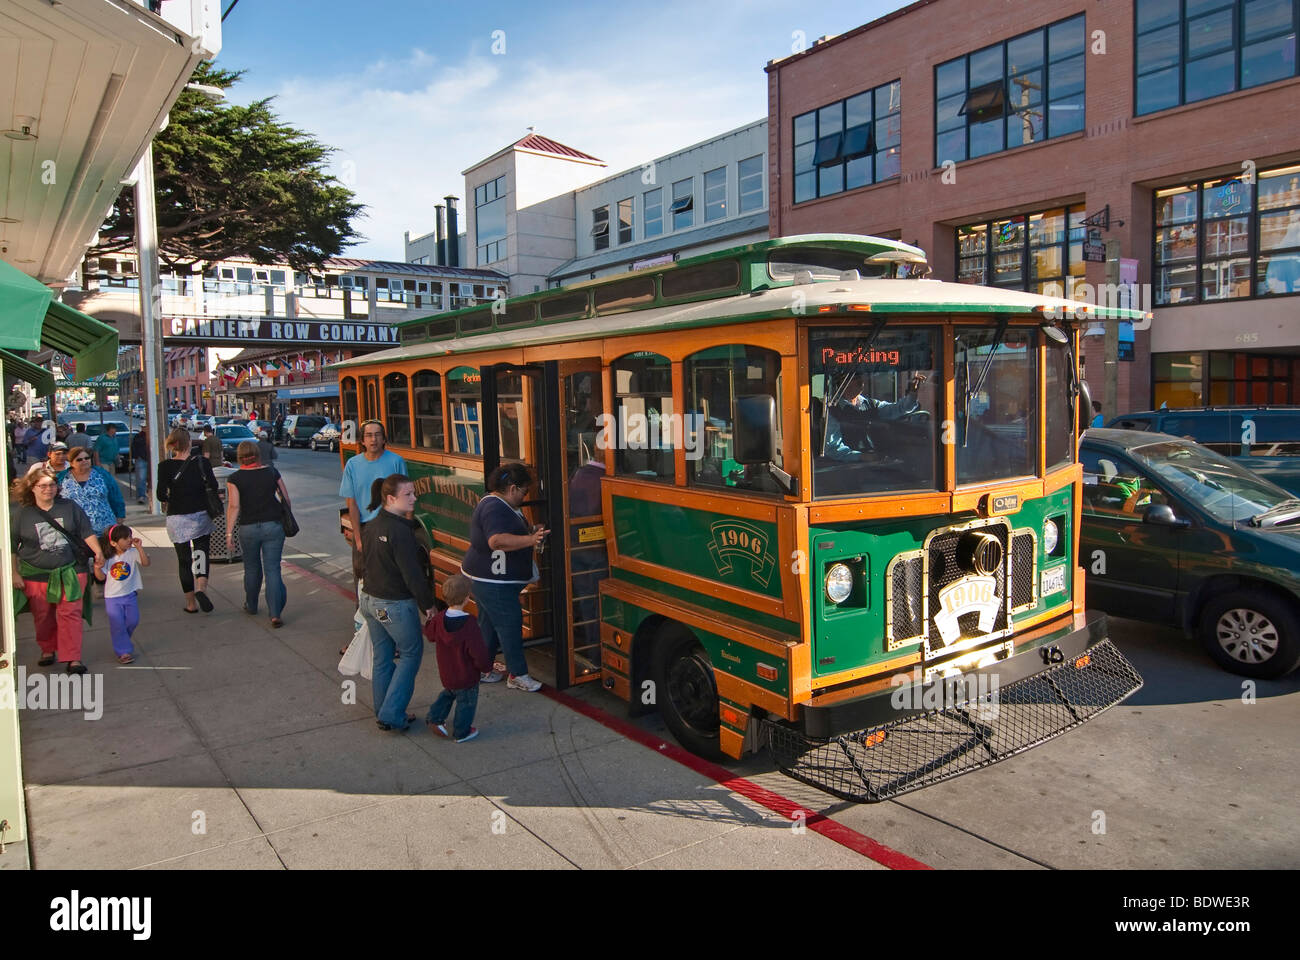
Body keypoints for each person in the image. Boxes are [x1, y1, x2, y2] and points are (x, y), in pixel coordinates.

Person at [461, 463, 547, 692]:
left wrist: (530, 533)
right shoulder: (495, 508)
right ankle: (518, 675)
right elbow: (496, 541)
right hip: (494, 582)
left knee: (488, 625)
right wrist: (530, 541)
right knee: (509, 626)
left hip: (486, 578)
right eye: (524, 491)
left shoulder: (497, 503)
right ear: (512, 488)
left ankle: (483, 668)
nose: (525, 496)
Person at [11, 467, 105, 674]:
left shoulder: (69, 507)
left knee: (70, 613)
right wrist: (14, 573)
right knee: (43, 615)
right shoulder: (22, 514)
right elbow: (12, 545)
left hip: (72, 570)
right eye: (43, 485)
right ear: (32, 488)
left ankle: (73, 658)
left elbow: (86, 532)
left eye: (52, 484)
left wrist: (98, 552)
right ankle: (47, 649)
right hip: (36, 574)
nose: (48, 489)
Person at [359, 474, 433, 731]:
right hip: (394, 605)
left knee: (383, 656)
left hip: (370, 600)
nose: (414, 498)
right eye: (408, 494)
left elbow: (364, 564)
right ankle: (392, 712)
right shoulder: (400, 531)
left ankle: (383, 709)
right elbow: (412, 574)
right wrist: (429, 606)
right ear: (391, 498)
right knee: (411, 654)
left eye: (413, 493)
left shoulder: (372, 525)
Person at [225, 439, 290, 628]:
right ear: (257, 454)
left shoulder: (235, 478)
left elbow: (234, 506)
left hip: (248, 528)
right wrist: (286, 517)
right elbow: (285, 498)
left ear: (239, 457)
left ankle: (252, 605)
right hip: (273, 525)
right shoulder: (271, 472)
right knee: (273, 569)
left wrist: (229, 534)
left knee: (252, 568)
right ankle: (275, 613)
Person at [156, 427, 219, 614]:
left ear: (172, 445)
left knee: (183, 561)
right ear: (188, 443)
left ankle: (191, 603)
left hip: (177, 518)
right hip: (200, 515)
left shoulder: (165, 466)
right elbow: (213, 486)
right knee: (201, 554)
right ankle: (201, 587)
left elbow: (160, 495)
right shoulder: (201, 462)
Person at [424, 574, 490, 742]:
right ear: (467, 598)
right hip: (466, 675)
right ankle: (462, 731)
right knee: (466, 703)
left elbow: (430, 635)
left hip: (447, 672)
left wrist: (428, 622)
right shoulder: (470, 624)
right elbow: (478, 652)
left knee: (448, 693)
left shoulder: (439, 619)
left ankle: (434, 717)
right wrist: (486, 667)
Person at [339, 420, 407, 580]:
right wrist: (358, 539)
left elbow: (407, 501)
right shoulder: (352, 465)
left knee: (391, 579)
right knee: (363, 579)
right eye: (369, 435)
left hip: (392, 528)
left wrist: (406, 533)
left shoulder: (396, 461)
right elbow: (352, 504)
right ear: (362, 440)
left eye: (377, 435)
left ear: (384, 439)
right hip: (365, 529)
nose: (373, 439)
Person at [823, 371, 925, 461]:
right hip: (846, 469)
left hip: (875, 463)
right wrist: (861, 456)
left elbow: (898, 409)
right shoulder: (833, 411)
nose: (861, 381)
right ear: (842, 383)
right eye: (855, 378)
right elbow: (832, 448)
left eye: (860, 377)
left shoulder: (871, 404)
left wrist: (913, 392)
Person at [99, 523, 150, 664]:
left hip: (130, 594)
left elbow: (145, 563)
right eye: (125, 538)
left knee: (133, 620)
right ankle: (123, 651)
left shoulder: (133, 553)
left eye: (130, 537)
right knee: (117, 624)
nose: (129, 540)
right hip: (112, 597)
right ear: (113, 542)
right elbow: (101, 577)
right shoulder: (108, 558)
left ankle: (122, 640)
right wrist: (97, 567)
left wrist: (139, 548)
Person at [58, 446, 125, 536]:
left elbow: (115, 495)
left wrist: (120, 515)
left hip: (105, 526)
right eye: (79, 460)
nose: (84, 461)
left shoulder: (102, 474)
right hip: (75, 529)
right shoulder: (62, 478)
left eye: (87, 458)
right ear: (71, 463)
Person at [130, 428, 149, 504]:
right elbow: (133, 447)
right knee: (141, 479)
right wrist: (136, 456)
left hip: (151, 458)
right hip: (142, 459)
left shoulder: (154, 435)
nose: (145, 428)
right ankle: (141, 496)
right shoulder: (138, 437)